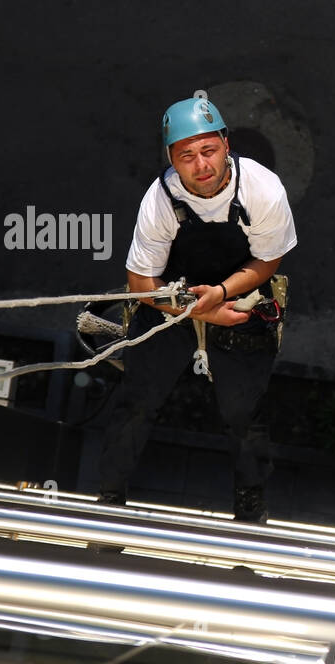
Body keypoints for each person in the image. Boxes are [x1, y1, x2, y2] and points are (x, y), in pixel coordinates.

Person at [96, 97, 296, 522]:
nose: (200, 165)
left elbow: (267, 261)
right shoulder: (160, 200)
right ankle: (109, 499)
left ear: (226, 145)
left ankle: (251, 505)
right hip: (174, 299)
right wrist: (198, 311)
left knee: (243, 410)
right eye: (186, 156)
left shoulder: (262, 190)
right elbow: (140, 284)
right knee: (136, 399)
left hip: (239, 294)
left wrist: (222, 293)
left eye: (209, 150)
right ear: (171, 159)